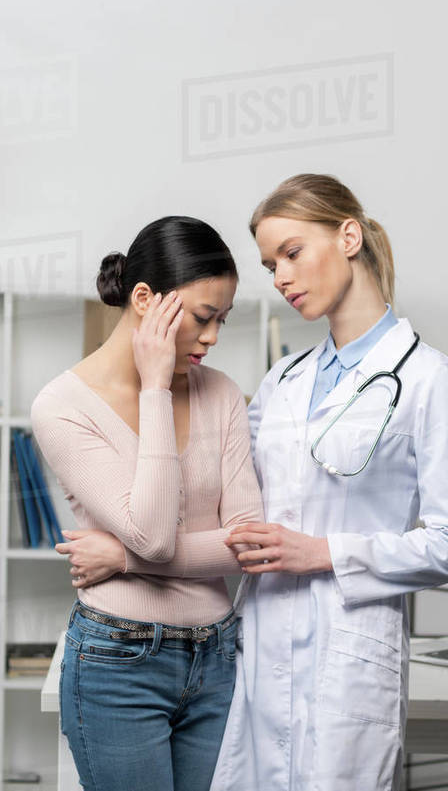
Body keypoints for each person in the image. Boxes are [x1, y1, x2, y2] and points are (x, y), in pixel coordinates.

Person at [60, 174, 448, 791]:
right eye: (269, 263)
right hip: (252, 648)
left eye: (291, 253)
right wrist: (130, 548)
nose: (281, 277)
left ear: (348, 236)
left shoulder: (428, 379)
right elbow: (216, 512)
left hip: (352, 650)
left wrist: (323, 553)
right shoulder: (282, 380)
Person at [29, 215, 266, 791]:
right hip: (117, 665)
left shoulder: (223, 393)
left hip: (218, 660)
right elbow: (154, 530)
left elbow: (248, 544)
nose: (212, 338)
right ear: (144, 300)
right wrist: (156, 387)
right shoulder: (62, 406)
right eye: (203, 317)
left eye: (222, 321)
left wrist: (125, 559)